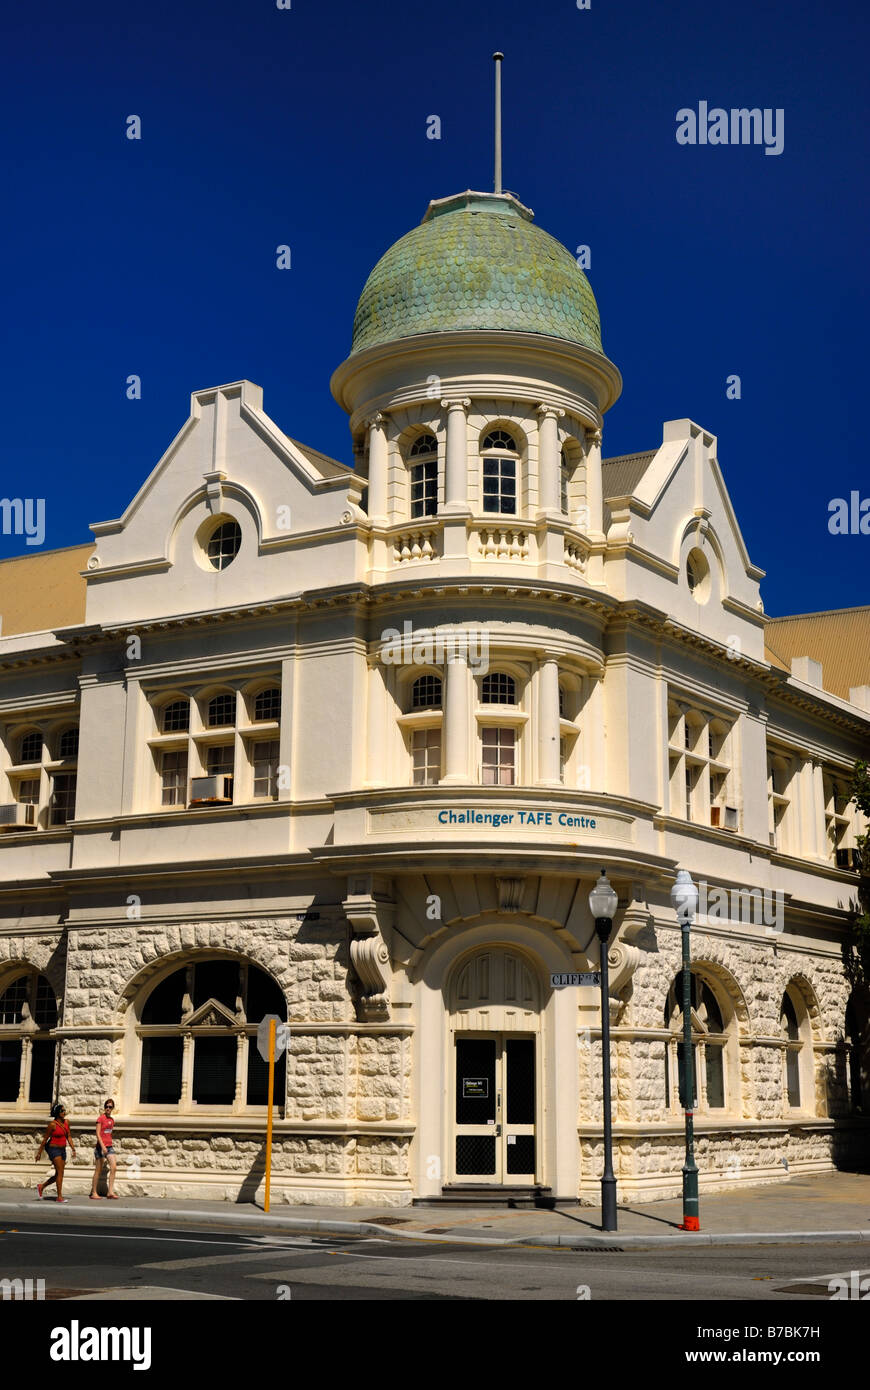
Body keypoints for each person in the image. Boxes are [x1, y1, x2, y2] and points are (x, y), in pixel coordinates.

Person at [36, 1102, 76, 1202]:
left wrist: (73, 1148)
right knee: (60, 1173)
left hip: (63, 1150)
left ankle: (41, 1186)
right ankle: (59, 1197)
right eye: (62, 1111)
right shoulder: (52, 1125)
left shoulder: (67, 1122)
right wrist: (39, 1153)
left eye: (64, 1110)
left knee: (59, 1174)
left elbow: (69, 1136)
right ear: (58, 1113)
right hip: (54, 1150)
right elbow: (45, 1139)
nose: (64, 1112)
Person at [90, 1099, 119, 1199]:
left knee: (114, 1167)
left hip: (109, 1147)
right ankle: (94, 1192)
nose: (108, 1108)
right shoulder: (100, 1119)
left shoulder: (112, 1120)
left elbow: (108, 1133)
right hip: (100, 1147)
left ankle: (110, 1192)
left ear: (112, 1108)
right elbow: (98, 1134)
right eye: (106, 1106)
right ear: (104, 1107)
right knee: (98, 1170)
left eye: (110, 1107)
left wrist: (108, 1144)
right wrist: (102, 1146)